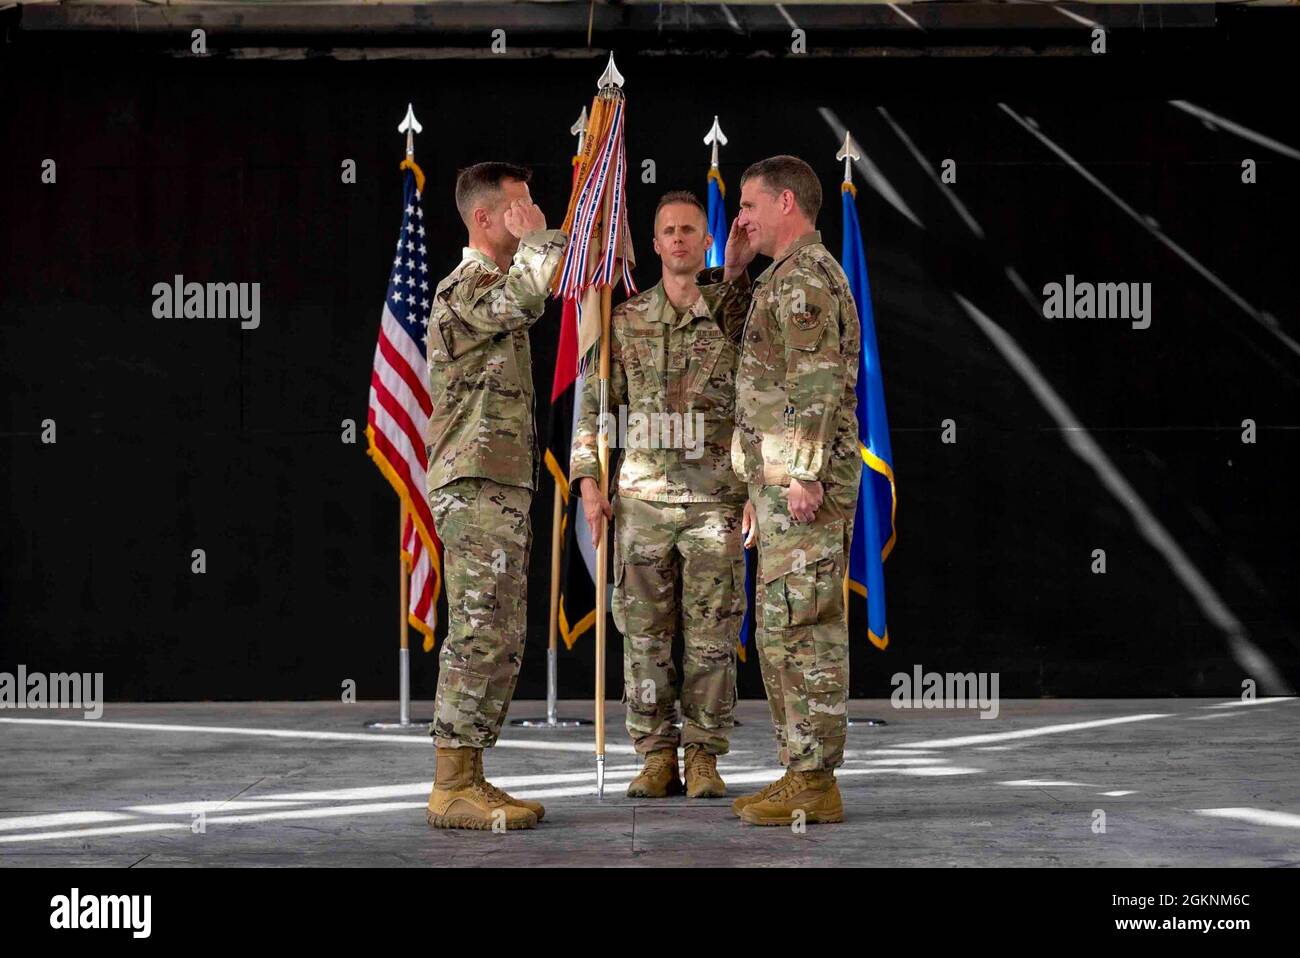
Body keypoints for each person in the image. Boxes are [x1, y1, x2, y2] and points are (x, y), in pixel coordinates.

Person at [572, 190, 751, 799]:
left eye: (689, 230)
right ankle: (655, 756)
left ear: (707, 241)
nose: (678, 238)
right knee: (644, 640)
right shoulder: (625, 320)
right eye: (667, 230)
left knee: (712, 637)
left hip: (714, 503)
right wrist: (589, 482)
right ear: (653, 244)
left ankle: (703, 755)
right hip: (642, 505)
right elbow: (598, 410)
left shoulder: (735, 315)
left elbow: (760, 401)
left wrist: (757, 485)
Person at [423, 162, 568, 830]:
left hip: (501, 482)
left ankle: (471, 774)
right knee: (479, 630)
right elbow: (530, 297)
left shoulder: (498, 282)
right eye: (517, 207)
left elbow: (542, 284)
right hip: (474, 483)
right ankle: (450, 783)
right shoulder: (466, 288)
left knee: (502, 634)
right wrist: (543, 235)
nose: (530, 213)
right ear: (484, 218)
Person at [725, 155, 862, 826]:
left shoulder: (806, 279)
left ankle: (814, 778)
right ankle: (798, 770)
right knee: (782, 626)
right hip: (779, 482)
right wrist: (760, 482)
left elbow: (816, 380)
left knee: (804, 627)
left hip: (804, 484)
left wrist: (805, 473)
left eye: (750, 205)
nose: (742, 217)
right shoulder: (781, 277)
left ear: (786, 203)